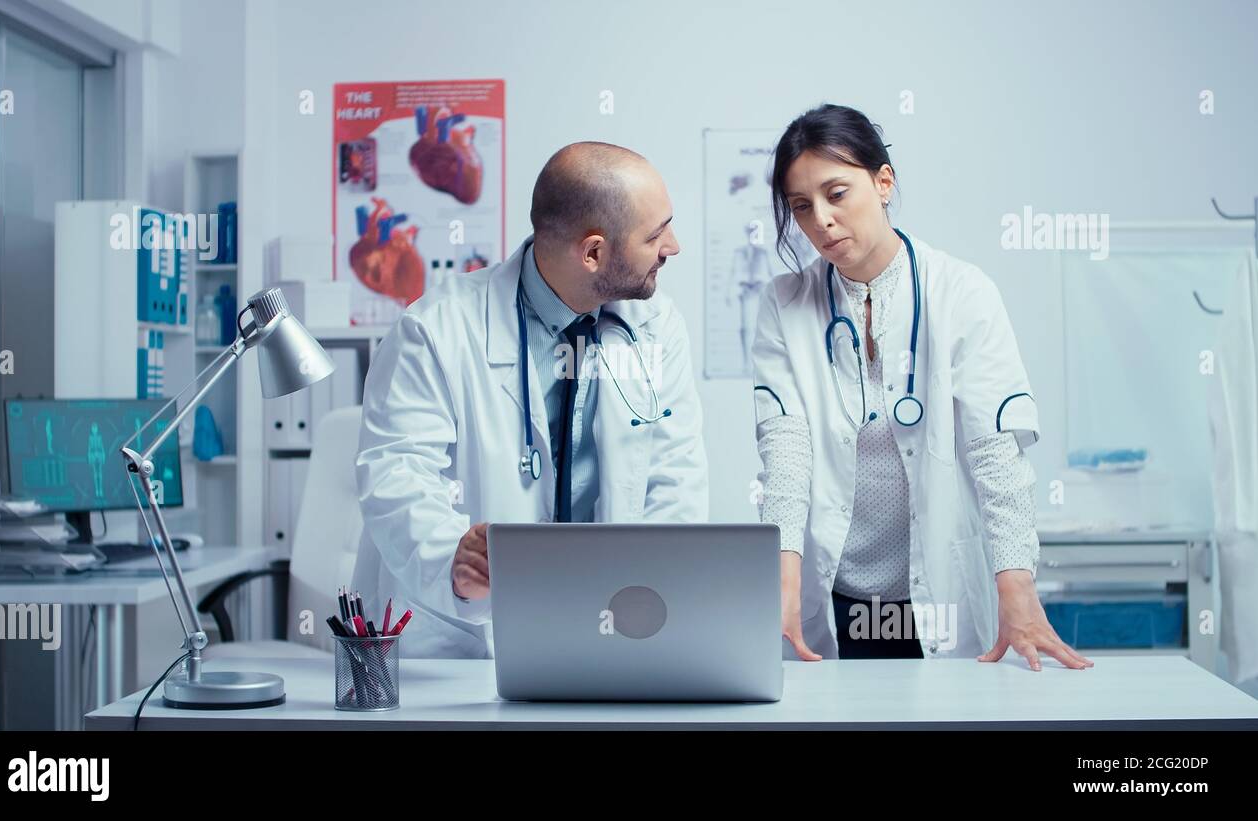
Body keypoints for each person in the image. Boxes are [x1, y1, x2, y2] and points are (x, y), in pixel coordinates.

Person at [753, 103, 1092, 669]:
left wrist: (1017, 588)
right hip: (836, 593)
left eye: (837, 194)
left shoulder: (962, 292)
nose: (821, 222)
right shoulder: (785, 305)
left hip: (935, 592)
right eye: (801, 207)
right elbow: (785, 455)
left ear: (883, 182)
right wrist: (782, 586)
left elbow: (994, 452)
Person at [352, 142, 708, 658]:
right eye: (655, 234)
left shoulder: (655, 327)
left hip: (608, 627)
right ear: (592, 253)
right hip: (466, 644)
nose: (671, 246)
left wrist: (653, 606)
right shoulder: (434, 331)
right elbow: (396, 475)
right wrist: (452, 557)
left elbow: (675, 481)